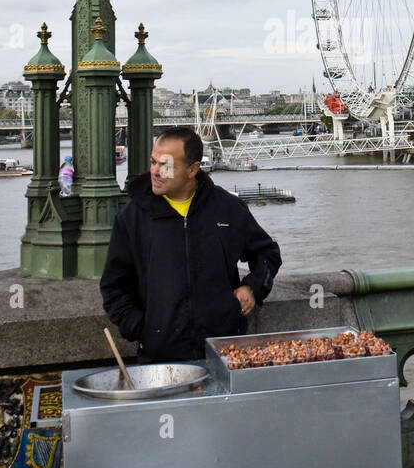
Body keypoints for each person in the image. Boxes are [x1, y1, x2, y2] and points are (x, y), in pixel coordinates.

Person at [100, 126, 282, 363]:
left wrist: (252, 288)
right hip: (160, 356)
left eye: (165, 165)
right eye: (153, 162)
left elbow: (267, 254)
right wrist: (139, 327)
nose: (154, 171)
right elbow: (114, 286)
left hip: (224, 351)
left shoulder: (228, 208)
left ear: (192, 169)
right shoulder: (132, 217)